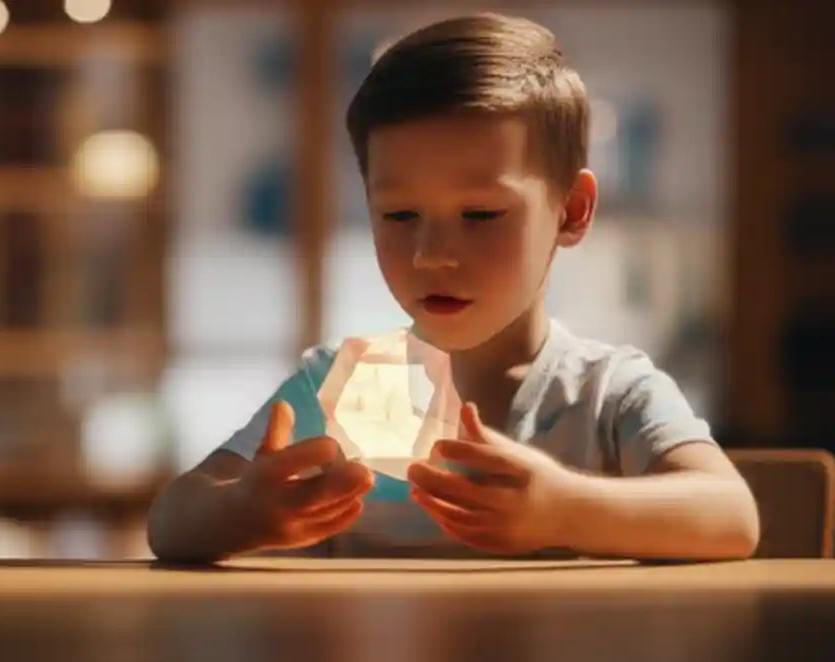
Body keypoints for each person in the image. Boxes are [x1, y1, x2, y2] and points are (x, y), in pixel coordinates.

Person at [148, 13, 759, 563]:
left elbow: (732, 517)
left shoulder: (609, 393)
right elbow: (172, 519)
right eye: (399, 216)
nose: (432, 254)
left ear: (572, 210)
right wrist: (242, 514)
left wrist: (565, 510)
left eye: (481, 216)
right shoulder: (342, 386)